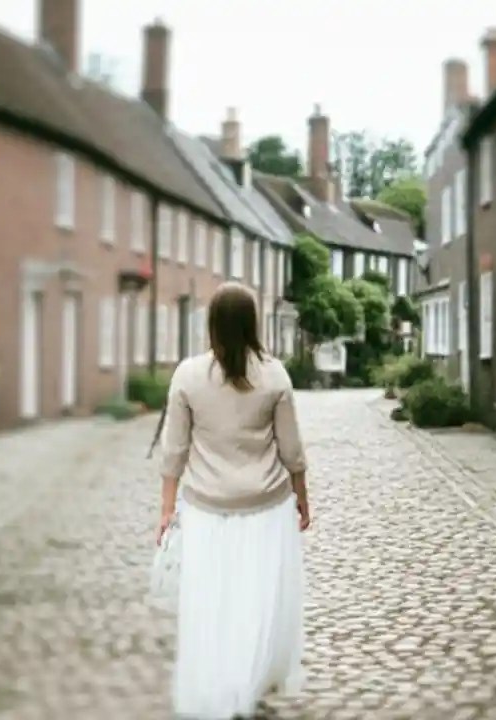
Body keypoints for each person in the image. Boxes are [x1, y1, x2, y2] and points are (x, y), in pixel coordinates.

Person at [153, 283, 310, 719]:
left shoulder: (187, 376)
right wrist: (302, 498)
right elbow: (291, 449)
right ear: (252, 322)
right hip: (266, 505)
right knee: (256, 596)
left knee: (211, 598)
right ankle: (249, 677)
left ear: (213, 324)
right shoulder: (274, 375)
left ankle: (218, 683)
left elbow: (174, 451)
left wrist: (167, 510)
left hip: (206, 507)